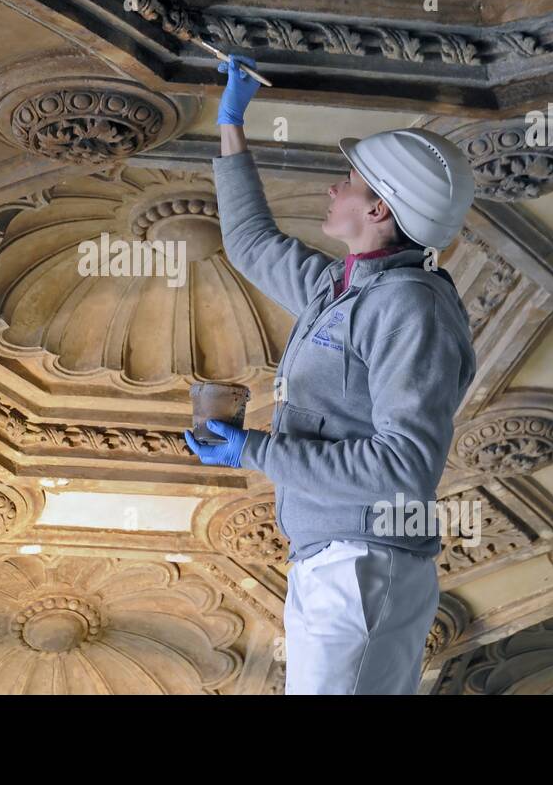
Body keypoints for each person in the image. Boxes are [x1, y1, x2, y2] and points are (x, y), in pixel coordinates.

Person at [184, 55, 478, 694]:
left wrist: (255, 450)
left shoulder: (410, 305)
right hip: (333, 560)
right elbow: (252, 245)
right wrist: (231, 121)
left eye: (347, 182)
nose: (332, 190)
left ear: (379, 211)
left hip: (364, 565)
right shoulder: (343, 290)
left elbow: (403, 468)